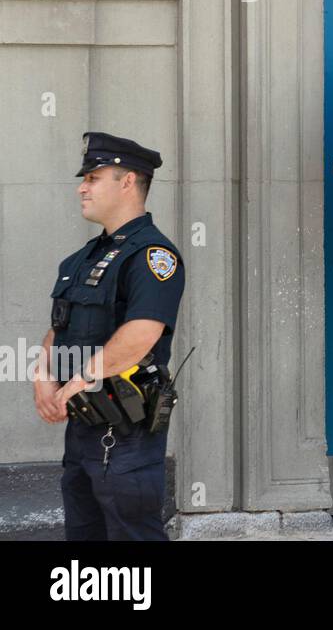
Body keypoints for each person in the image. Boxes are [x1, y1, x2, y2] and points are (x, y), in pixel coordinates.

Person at [34, 133, 185, 541]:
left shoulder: (153, 256)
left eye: (94, 177)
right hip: (81, 427)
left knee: (132, 532)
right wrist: (43, 377)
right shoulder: (81, 259)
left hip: (126, 428)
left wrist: (79, 381)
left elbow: (141, 333)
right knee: (84, 533)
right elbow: (59, 327)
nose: (82, 186)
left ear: (127, 182)